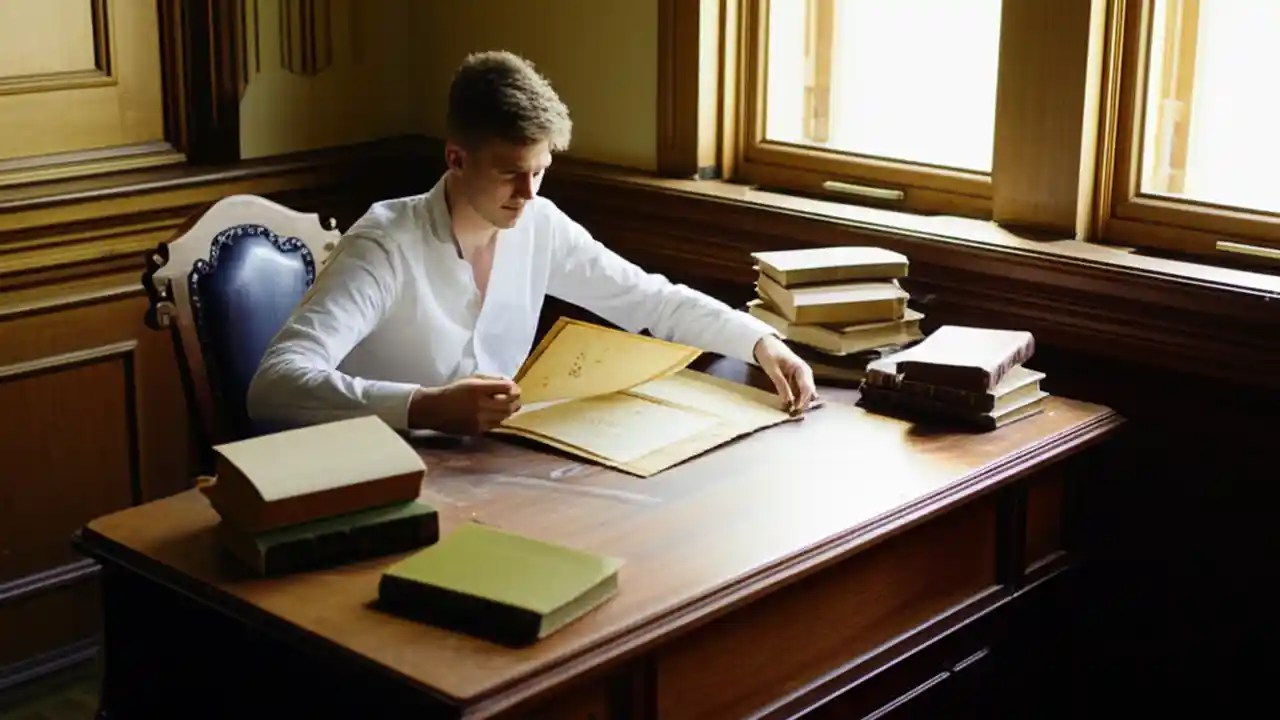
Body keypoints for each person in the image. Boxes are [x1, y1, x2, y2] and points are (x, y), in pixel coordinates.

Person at [247, 50, 816, 437]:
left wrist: (763, 342)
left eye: (539, 171)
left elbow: (651, 301)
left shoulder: (539, 225)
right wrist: (423, 405)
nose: (527, 193)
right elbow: (274, 385)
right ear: (455, 158)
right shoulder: (384, 246)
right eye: (510, 173)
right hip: (378, 478)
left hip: (494, 475)